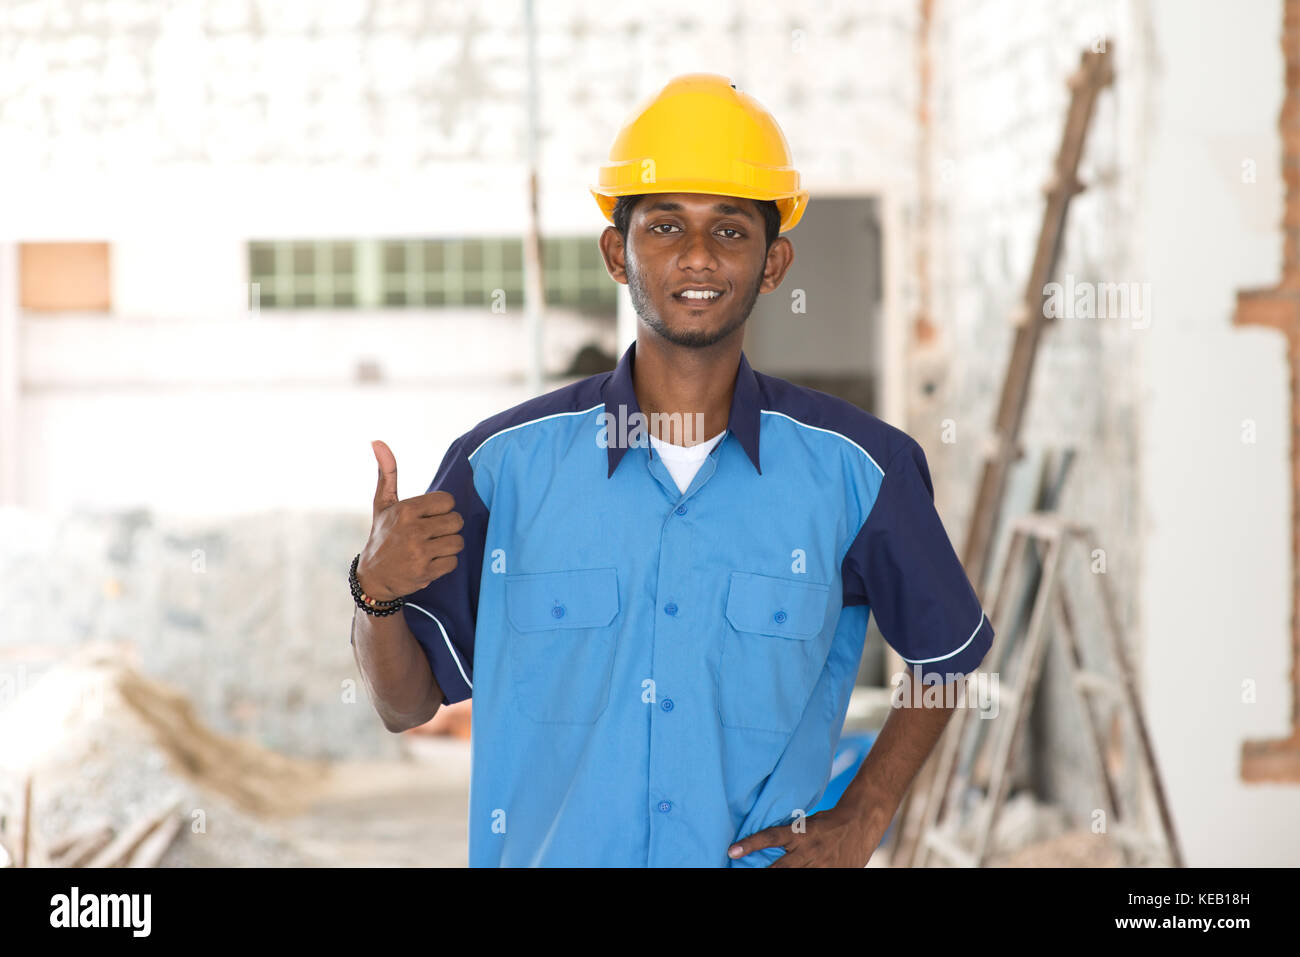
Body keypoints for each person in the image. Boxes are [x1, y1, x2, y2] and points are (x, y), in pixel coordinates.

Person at [349, 73, 994, 867]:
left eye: (729, 230)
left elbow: (948, 653)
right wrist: (374, 591)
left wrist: (866, 812)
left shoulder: (863, 470)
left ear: (773, 262)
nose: (696, 255)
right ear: (617, 253)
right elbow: (406, 704)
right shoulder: (500, 471)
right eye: (664, 226)